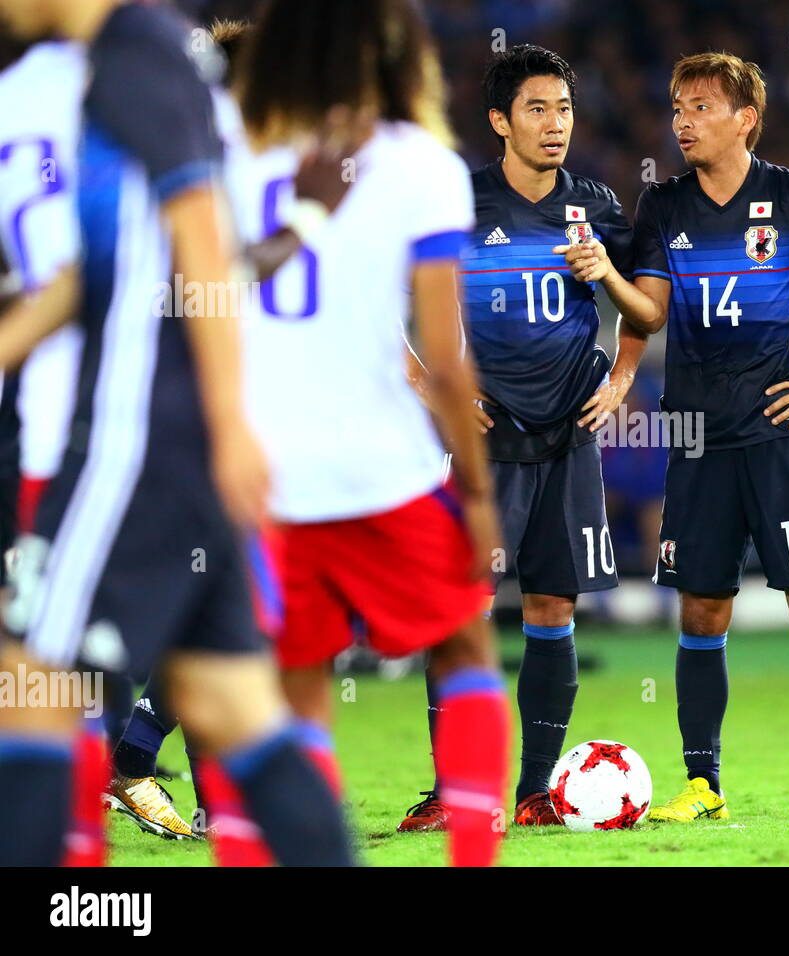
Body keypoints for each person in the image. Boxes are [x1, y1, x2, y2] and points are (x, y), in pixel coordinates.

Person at [0, 0, 353, 866]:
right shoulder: (113, 67)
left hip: (127, 441)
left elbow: (199, 239)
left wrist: (230, 426)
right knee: (234, 705)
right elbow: (103, 268)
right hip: (156, 443)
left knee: (32, 686)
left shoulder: (134, 52)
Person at [563, 52, 789, 820]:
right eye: (677, 106)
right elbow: (649, 311)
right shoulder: (662, 207)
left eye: (699, 106)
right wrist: (623, 373)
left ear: (745, 118)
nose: (682, 120)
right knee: (700, 611)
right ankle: (703, 787)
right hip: (696, 438)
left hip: (781, 432)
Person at [233, 0, 509, 866]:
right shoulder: (421, 163)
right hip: (385, 469)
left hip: (265, 476)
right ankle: (472, 852)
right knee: (464, 639)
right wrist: (474, 491)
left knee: (291, 685)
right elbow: (445, 359)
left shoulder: (232, 151)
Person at [398, 43, 649, 832]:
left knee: (552, 607)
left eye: (564, 108)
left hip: (570, 436)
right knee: (456, 612)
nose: (555, 124)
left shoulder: (599, 206)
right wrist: (429, 380)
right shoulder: (455, 204)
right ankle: (453, 792)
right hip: (486, 438)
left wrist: (623, 378)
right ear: (500, 121)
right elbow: (374, 297)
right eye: (536, 109)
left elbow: (646, 309)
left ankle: (536, 790)